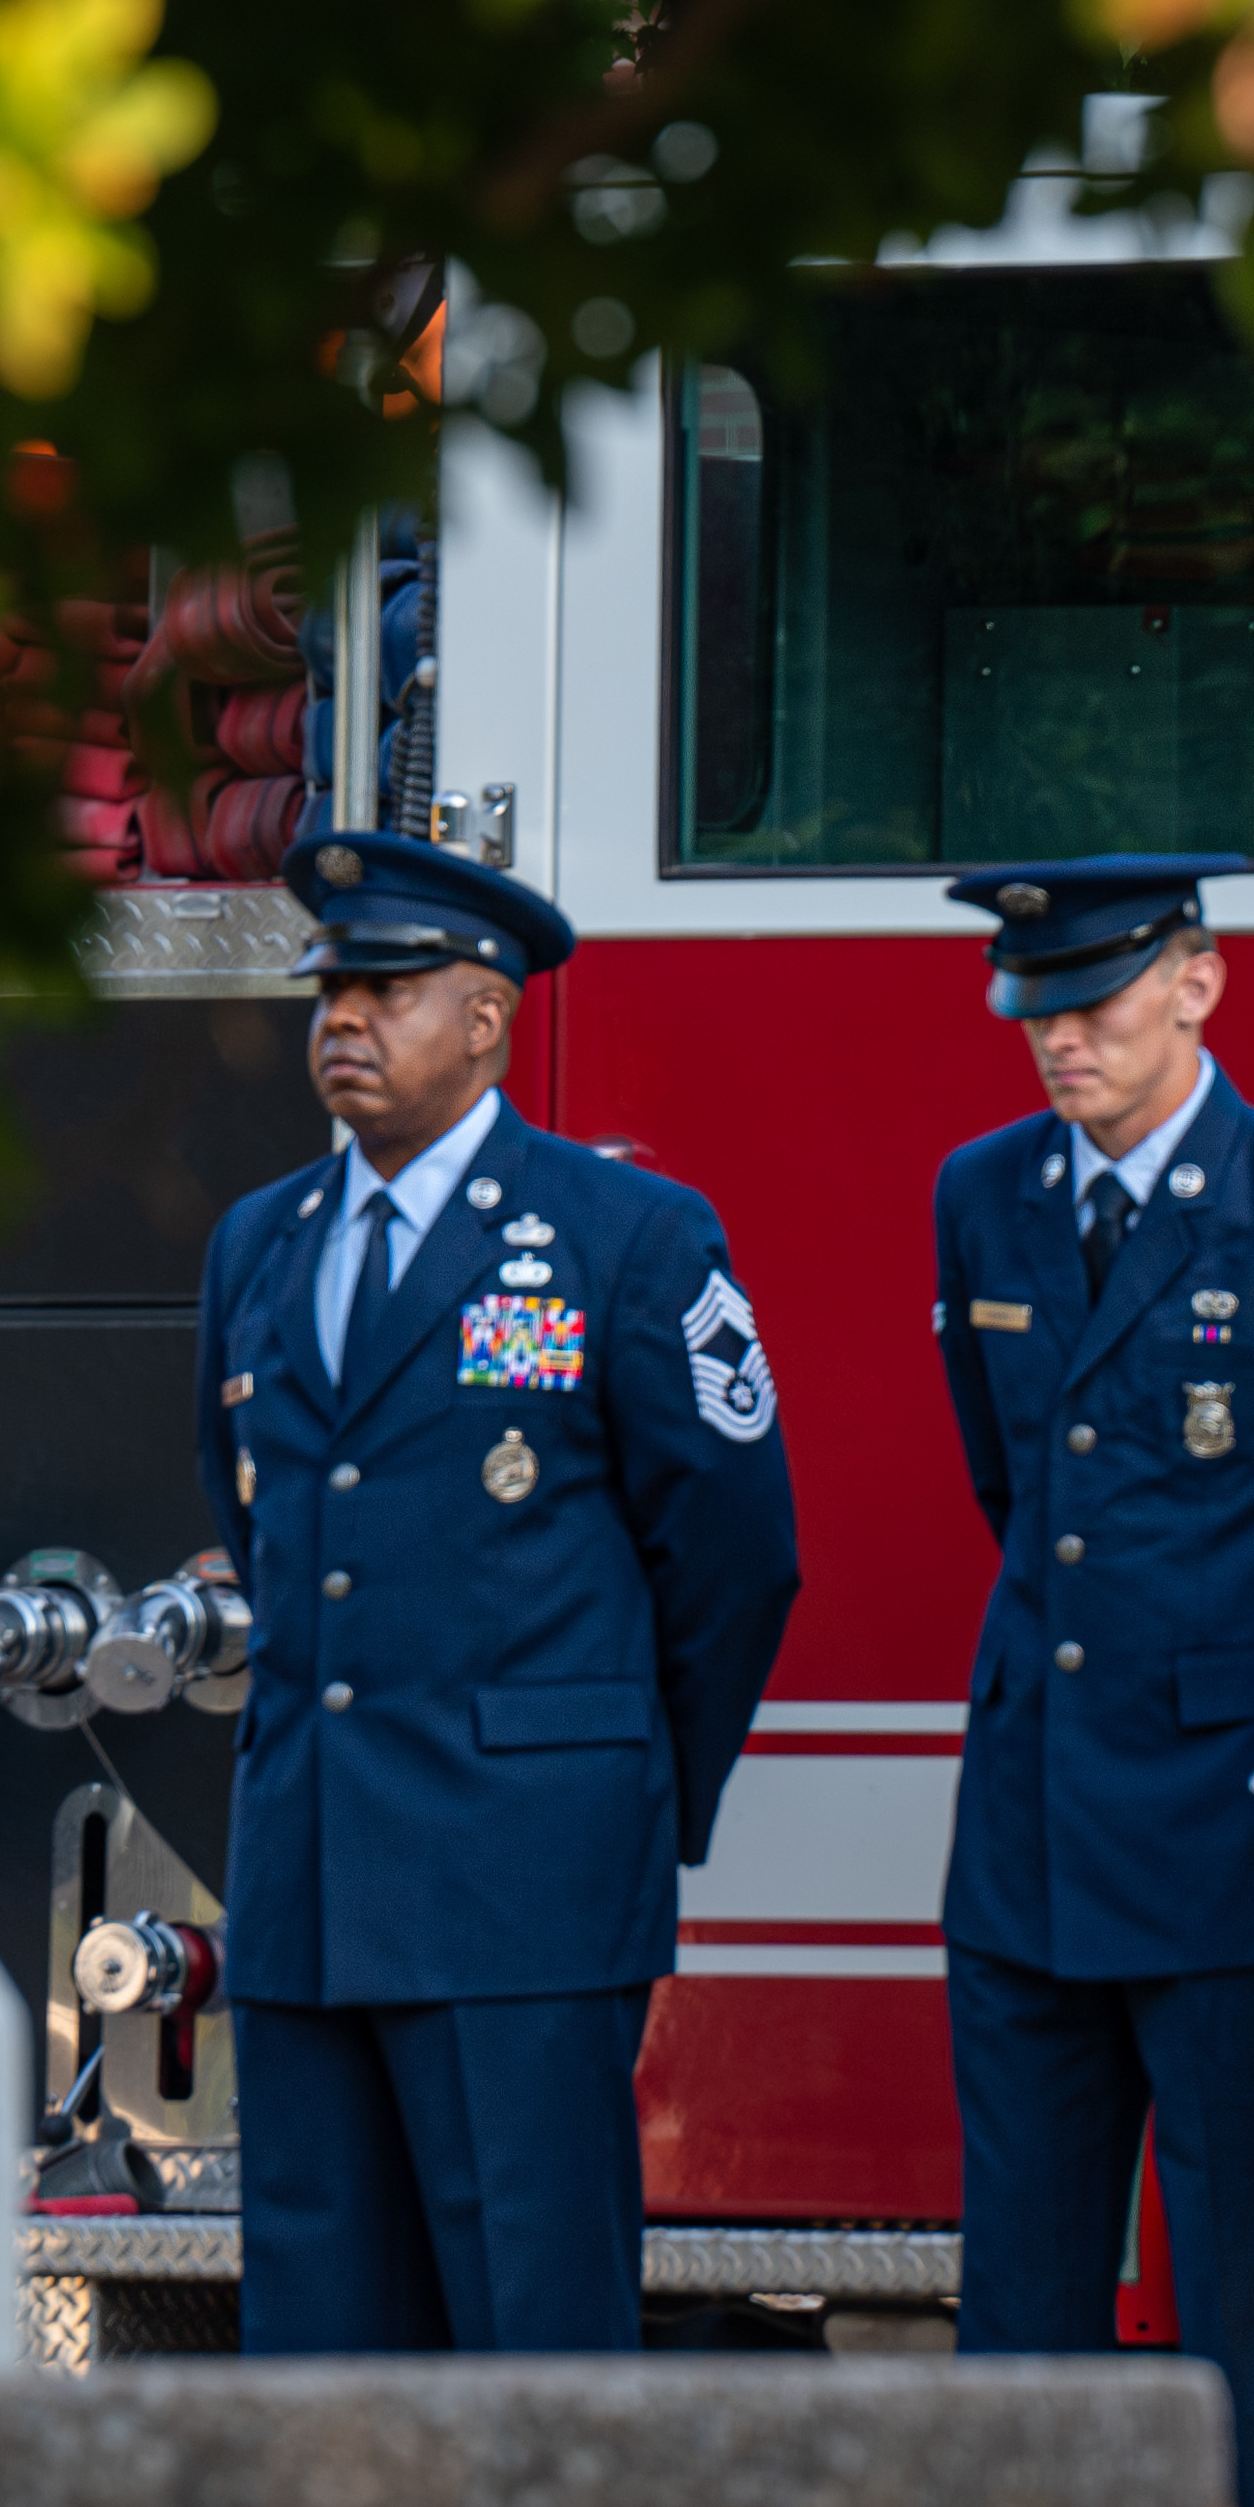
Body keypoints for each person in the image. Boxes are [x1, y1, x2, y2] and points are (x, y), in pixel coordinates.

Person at [196, 824, 802, 2354]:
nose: (340, 1018)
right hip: (311, 1883)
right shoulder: (259, 1244)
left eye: (386, 988)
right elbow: (269, 1525)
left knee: (534, 2344)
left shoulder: (623, 1240)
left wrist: (614, 1791)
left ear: (487, 1016)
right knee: (317, 2357)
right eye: (327, 987)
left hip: (522, 1886)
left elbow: (734, 1552)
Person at [926, 854, 1254, 2507]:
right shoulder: (983, 1195)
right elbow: (1019, 1491)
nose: (1057, 1038)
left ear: (1197, 984)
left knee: (1253, 2313)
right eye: (1032, 1008)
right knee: (1018, 2304)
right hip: (1030, 1833)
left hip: (1231, 1841)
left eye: (1091, 999)